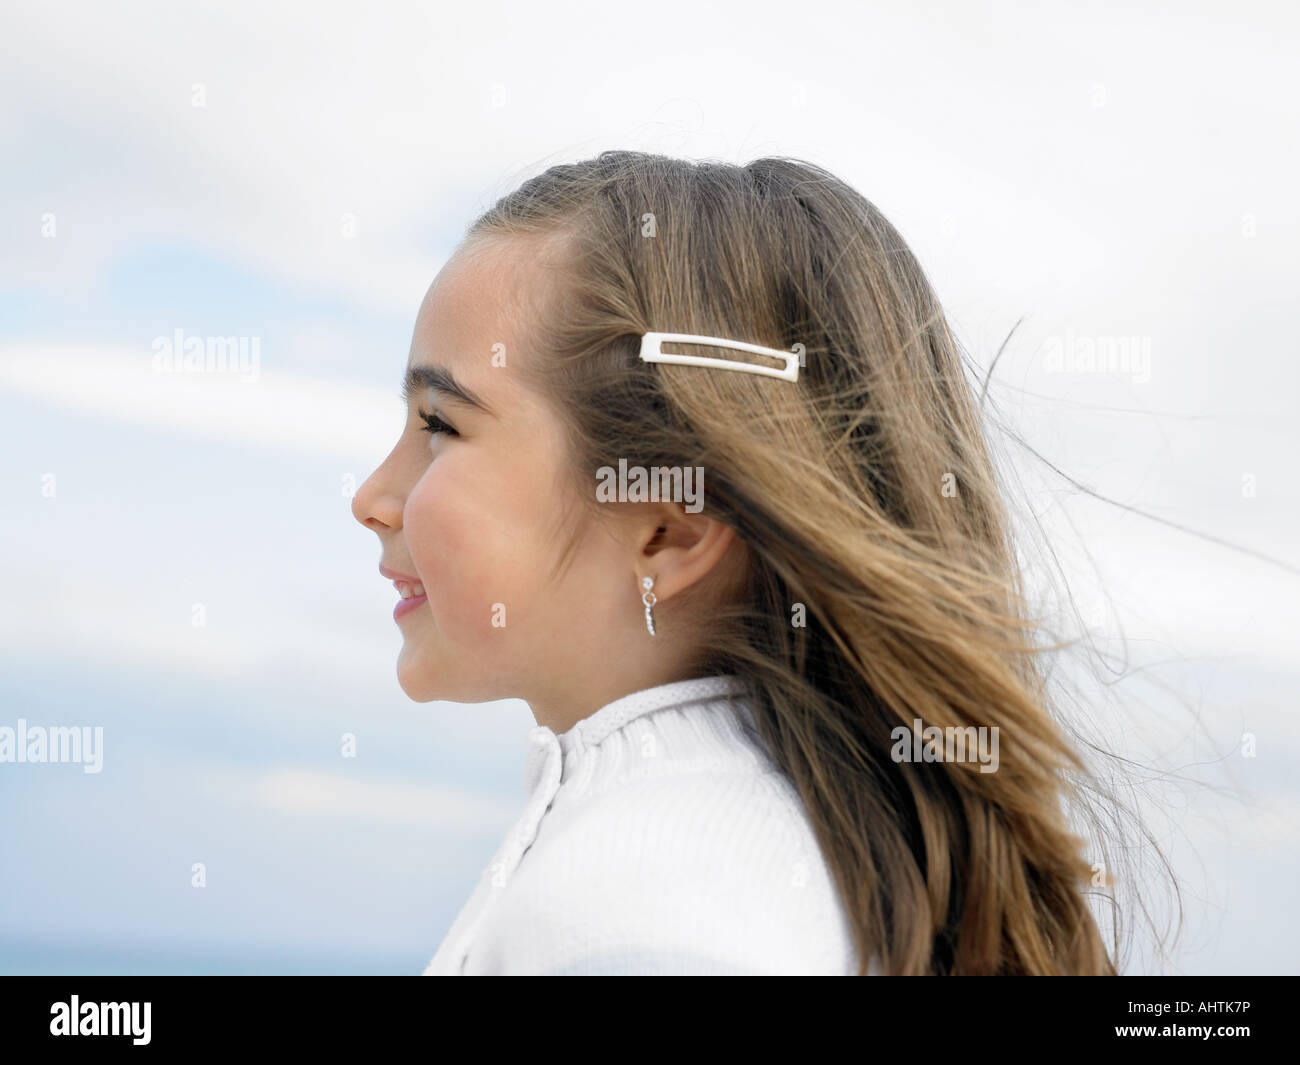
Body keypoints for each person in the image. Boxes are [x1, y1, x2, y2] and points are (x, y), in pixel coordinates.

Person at [351, 151, 1159, 975]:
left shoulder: (634, 916)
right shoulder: (782, 863)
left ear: (670, 526)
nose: (373, 496)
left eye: (441, 424)